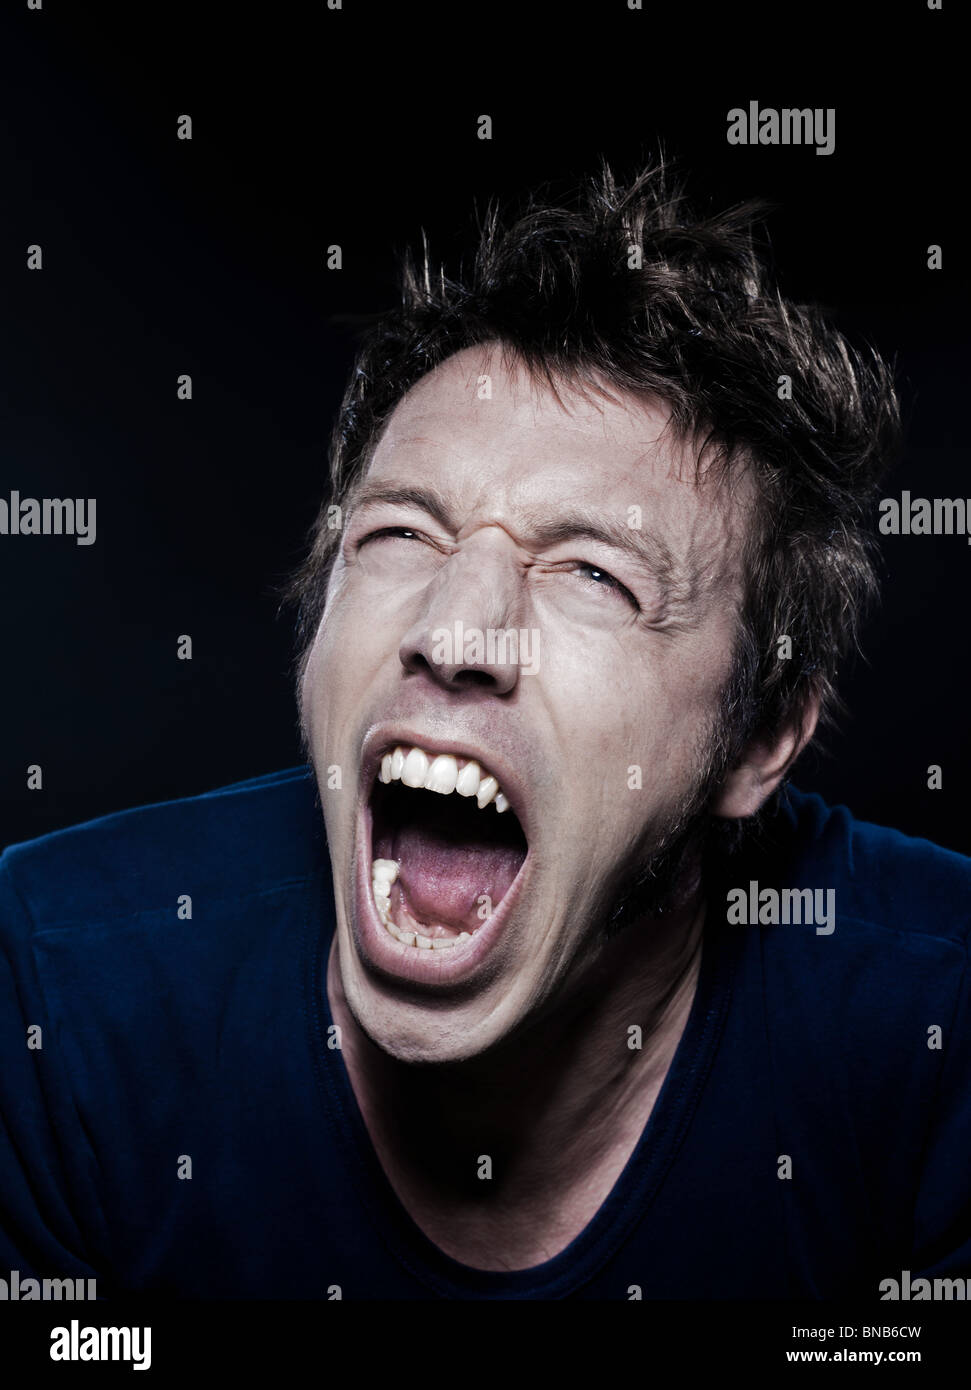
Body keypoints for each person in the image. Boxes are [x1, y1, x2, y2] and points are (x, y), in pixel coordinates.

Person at [2, 162, 968, 1300]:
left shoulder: (931, 1025)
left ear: (759, 739)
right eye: (402, 534)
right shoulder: (61, 992)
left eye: (594, 575)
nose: (458, 632)